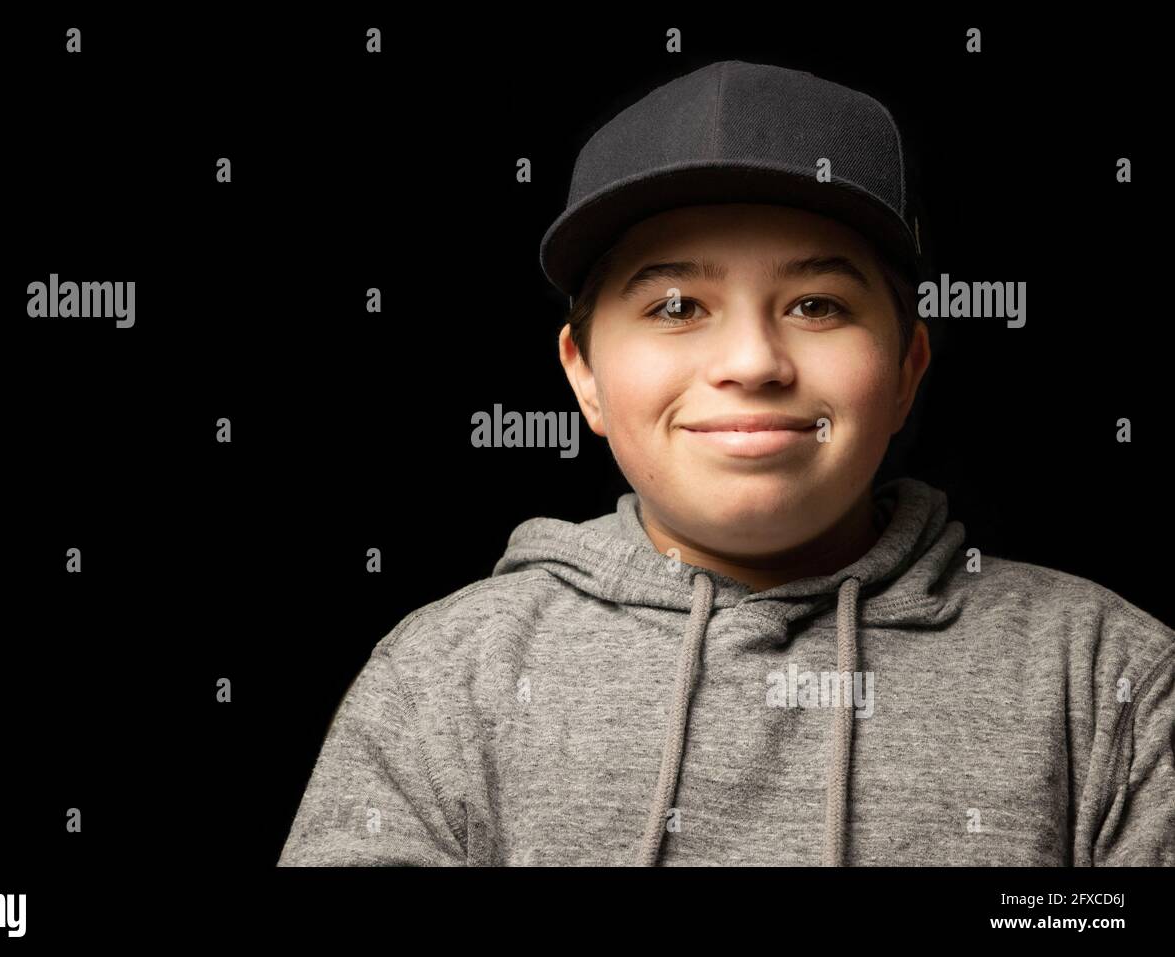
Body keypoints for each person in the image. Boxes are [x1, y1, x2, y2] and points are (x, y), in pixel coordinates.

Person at [278, 60, 1174, 866]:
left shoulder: (1108, 677)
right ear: (583, 375)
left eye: (817, 303)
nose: (752, 360)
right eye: (676, 305)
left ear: (907, 371)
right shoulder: (441, 676)